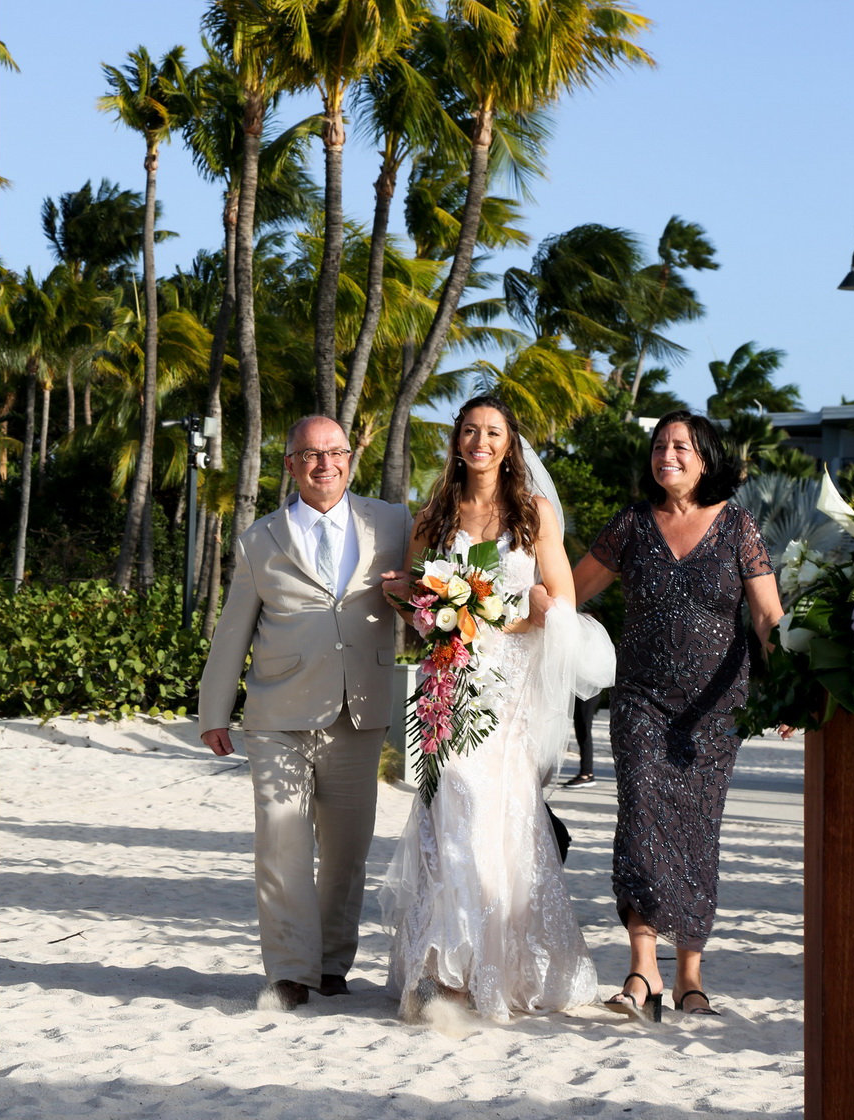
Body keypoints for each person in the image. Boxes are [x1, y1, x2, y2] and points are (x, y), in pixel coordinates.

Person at [382, 395, 608, 1023]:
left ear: (510, 445)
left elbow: (558, 603)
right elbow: (418, 606)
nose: (480, 441)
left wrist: (507, 612)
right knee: (450, 803)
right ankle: (441, 968)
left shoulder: (534, 515)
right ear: (457, 440)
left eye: (493, 432)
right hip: (447, 678)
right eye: (471, 430)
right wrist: (411, 601)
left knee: (492, 812)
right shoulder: (433, 516)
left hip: (506, 690)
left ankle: (487, 966)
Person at [572, 410, 781, 1021]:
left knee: (696, 834)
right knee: (639, 819)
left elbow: (766, 616)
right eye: (661, 445)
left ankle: (690, 975)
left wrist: (790, 677)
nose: (669, 454)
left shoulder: (737, 526)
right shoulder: (632, 524)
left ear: (706, 457)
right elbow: (568, 592)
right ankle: (644, 971)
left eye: (682, 446)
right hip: (640, 699)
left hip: (715, 709)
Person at [197, 415, 412, 1008]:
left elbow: (426, 593)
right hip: (278, 712)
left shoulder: (392, 522)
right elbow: (233, 631)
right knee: (281, 843)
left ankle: (331, 963)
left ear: (350, 458)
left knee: (347, 852)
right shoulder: (258, 538)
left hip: (359, 711)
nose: (325, 464)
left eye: (336, 453)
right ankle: (290, 969)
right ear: (290, 465)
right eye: (310, 455)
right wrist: (215, 710)